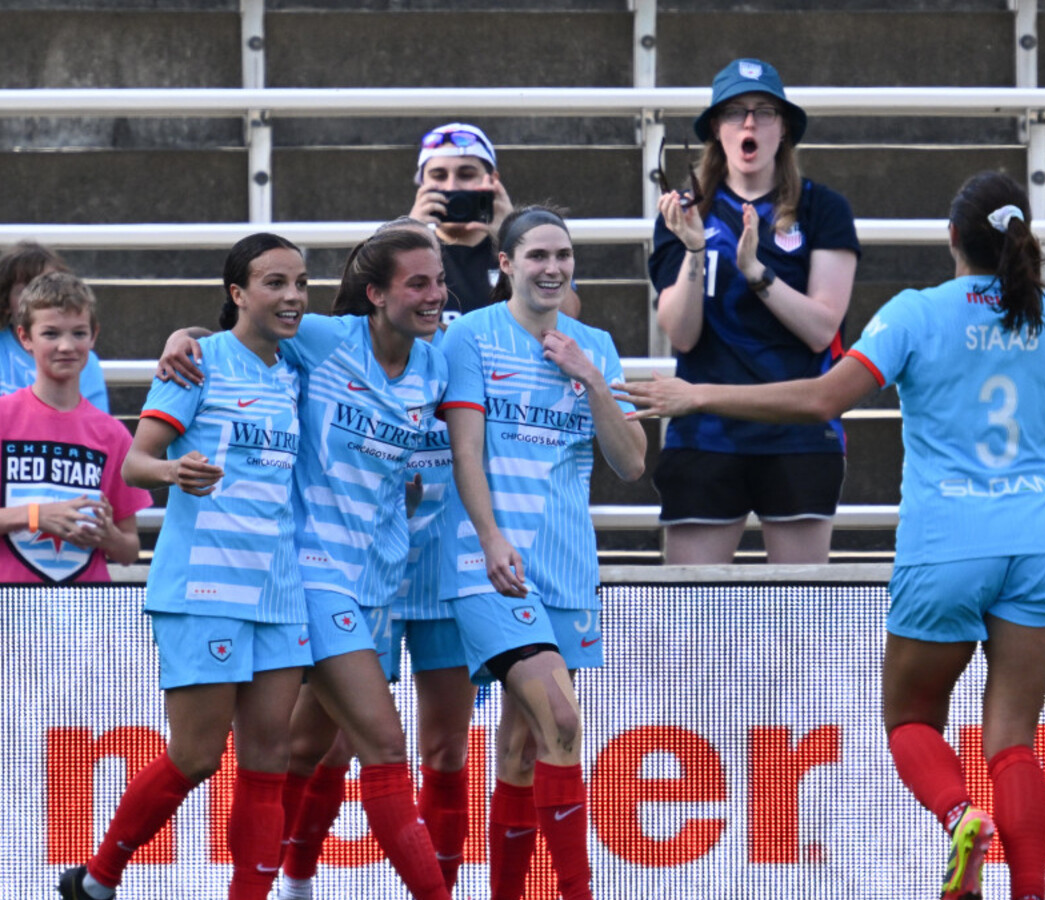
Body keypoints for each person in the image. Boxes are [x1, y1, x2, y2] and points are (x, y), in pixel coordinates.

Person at [621, 172, 1045, 900]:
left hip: (947, 544)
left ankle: (959, 817)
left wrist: (698, 393)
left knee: (910, 719)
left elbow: (823, 399)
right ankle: (1029, 890)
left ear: (952, 238)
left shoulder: (916, 313)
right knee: (1012, 741)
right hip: (1038, 545)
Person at [155, 228, 455, 900]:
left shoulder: (436, 365)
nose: (435, 295)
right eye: (419, 283)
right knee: (382, 742)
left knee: (310, 750)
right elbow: (252, 323)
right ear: (375, 295)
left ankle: (288, 881)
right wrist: (186, 337)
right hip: (312, 575)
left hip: (379, 577)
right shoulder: (325, 339)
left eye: (439, 283)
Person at [57, 233, 313, 900]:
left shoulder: (296, 370)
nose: (292, 297)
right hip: (204, 586)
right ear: (238, 294)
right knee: (198, 756)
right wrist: (173, 471)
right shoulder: (199, 363)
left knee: (269, 762)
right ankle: (99, 877)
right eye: (274, 283)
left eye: (300, 283)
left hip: (280, 590)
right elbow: (134, 461)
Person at [439, 206, 647, 900]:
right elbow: (464, 451)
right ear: (506, 264)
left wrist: (589, 377)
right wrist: (491, 537)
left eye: (563, 255)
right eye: (537, 256)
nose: (553, 268)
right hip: (487, 565)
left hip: (565, 570)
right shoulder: (470, 337)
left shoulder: (594, 344)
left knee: (523, 743)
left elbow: (631, 463)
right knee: (561, 717)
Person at [648, 57, 859, 565]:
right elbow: (681, 333)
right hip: (705, 434)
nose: (749, 124)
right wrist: (696, 252)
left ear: (783, 128)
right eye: (735, 112)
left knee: (800, 613)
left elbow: (820, 329)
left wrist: (756, 271)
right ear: (715, 129)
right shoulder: (684, 211)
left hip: (797, 435)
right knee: (691, 616)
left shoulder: (821, 208)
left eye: (764, 111)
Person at [0, 271, 147, 582]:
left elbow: (129, 550)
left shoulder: (113, 434)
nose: (66, 346)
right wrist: (37, 516)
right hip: (7, 613)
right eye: (50, 333)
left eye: (78, 333)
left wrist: (106, 535)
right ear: (25, 337)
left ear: (94, 335)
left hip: (84, 617)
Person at [409, 122, 580, 320]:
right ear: (422, 183)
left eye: (466, 174)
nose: (451, 186)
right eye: (438, 176)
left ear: (493, 181)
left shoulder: (522, 247)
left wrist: (515, 234)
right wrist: (407, 237)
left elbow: (568, 317)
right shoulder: (408, 247)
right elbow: (375, 320)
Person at [0, 241, 110, 428]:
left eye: (48, 286)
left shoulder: (81, 359)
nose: (38, 297)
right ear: (4, 302)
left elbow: (100, 430)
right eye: (25, 290)